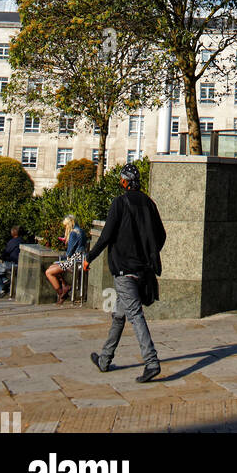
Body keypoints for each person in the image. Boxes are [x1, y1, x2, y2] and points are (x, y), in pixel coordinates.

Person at [83, 163, 166, 383]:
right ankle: (105, 359)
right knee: (119, 315)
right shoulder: (149, 203)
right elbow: (161, 235)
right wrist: (149, 253)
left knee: (134, 315)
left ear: (124, 181)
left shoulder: (120, 203)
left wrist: (89, 257)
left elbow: (106, 236)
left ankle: (151, 361)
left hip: (124, 270)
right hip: (144, 270)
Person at [45, 215, 87, 305]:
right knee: (52, 267)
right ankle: (65, 286)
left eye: (65, 226)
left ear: (69, 224)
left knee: (49, 272)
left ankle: (61, 294)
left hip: (74, 261)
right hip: (81, 259)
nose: (65, 228)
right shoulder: (81, 231)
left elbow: (69, 253)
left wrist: (67, 242)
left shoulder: (73, 233)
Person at [0, 226, 23, 296]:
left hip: (12, 264)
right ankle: (5, 280)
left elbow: (6, 252)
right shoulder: (22, 241)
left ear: (13, 233)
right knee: (1, 268)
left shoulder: (12, 242)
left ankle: (1, 289)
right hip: (20, 264)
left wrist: (1, 257)